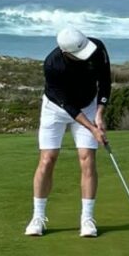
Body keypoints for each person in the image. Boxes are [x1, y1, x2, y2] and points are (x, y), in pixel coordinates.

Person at [25, 27, 111, 238]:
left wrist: (99, 113)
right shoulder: (52, 65)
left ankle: (87, 219)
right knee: (48, 159)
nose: (86, 56)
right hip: (56, 109)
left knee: (87, 158)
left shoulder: (97, 48)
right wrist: (92, 128)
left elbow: (105, 81)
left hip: (88, 105)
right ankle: (38, 217)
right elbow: (69, 107)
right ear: (66, 52)